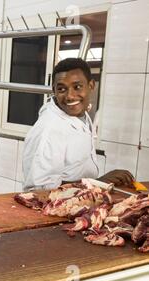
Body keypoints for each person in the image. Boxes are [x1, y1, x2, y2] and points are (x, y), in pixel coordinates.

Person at [22, 57, 134, 191]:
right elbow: (38, 190)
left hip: (81, 202)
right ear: (54, 90)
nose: (70, 96)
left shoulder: (81, 115)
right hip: (55, 209)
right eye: (62, 89)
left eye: (77, 87)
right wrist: (98, 183)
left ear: (91, 85)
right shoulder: (48, 129)